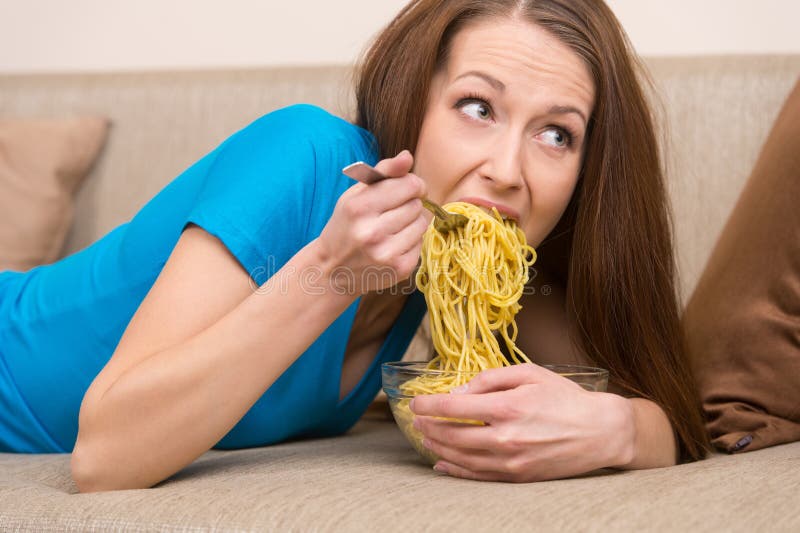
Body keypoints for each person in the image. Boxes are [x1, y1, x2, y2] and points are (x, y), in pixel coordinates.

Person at [0, 0, 709, 491]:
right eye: (477, 107)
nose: (508, 168)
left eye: (556, 133)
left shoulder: (476, 249)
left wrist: (618, 431)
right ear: (415, 104)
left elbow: (662, 410)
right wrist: (331, 277)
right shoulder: (307, 157)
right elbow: (103, 455)